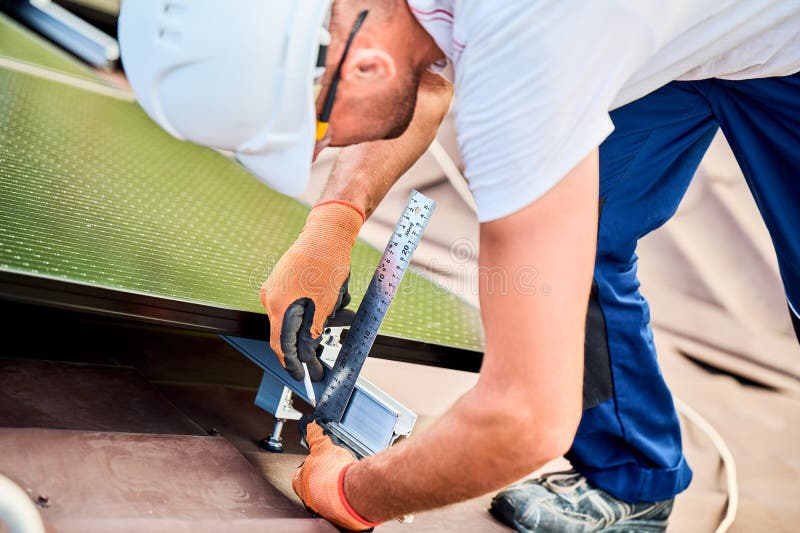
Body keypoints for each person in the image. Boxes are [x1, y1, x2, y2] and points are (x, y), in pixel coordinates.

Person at [119, 0, 800, 530]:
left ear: (361, 69)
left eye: (318, 132)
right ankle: (631, 478)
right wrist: (335, 219)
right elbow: (426, 65)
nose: (326, 148)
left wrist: (352, 491)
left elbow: (525, 416)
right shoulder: (405, 22)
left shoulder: (522, 50)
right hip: (667, 28)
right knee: (576, 242)